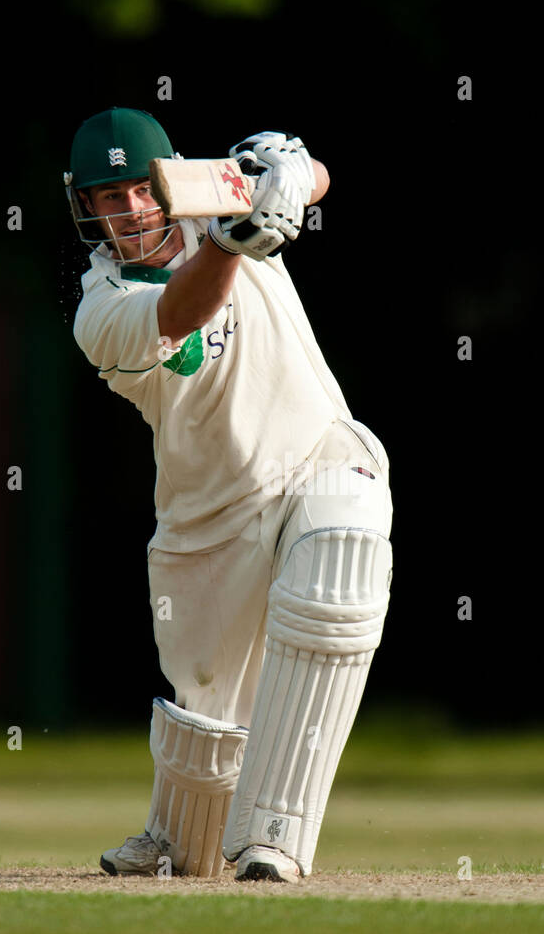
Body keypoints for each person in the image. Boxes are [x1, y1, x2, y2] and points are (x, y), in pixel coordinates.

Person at [65, 106, 393, 882]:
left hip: (318, 453)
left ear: (167, 179)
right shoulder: (99, 312)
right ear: (86, 210)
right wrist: (227, 242)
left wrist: (290, 174)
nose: (130, 210)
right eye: (107, 198)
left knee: (340, 558)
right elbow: (185, 309)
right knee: (210, 711)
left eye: (140, 189)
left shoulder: (215, 195)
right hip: (208, 516)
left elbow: (311, 179)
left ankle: (275, 836)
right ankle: (175, 837)